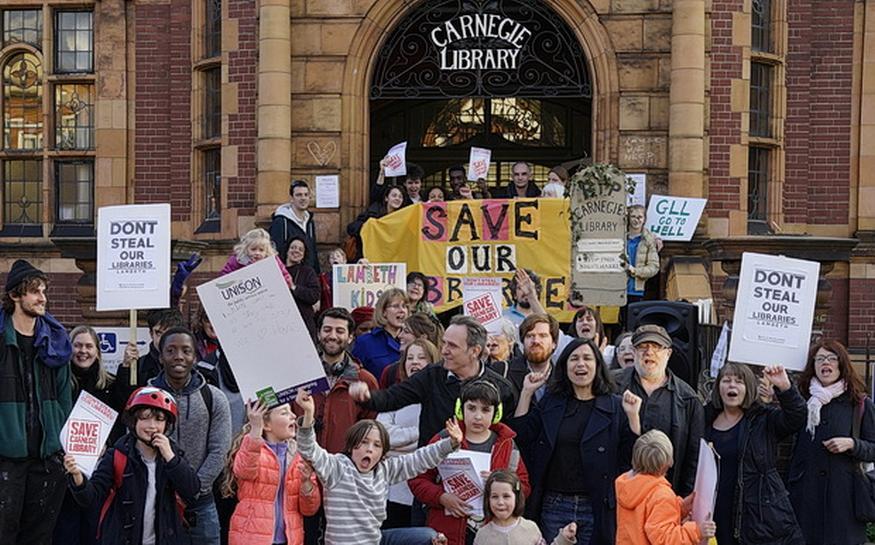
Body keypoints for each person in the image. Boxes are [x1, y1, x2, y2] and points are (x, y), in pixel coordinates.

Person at [510, 338, 640, 544]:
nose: (581, 364)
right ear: (564, 366)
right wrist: (527, 392)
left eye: (587, 358)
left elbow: (631, 457)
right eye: (574, 359)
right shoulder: (551, 402)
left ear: (598, 366)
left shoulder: (615, 406)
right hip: (554, 504)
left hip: (597, 505)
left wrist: (633, 416)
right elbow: (523, 437)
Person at [295, 388, 463, 545]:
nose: (370, 448)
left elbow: (419, 459)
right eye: (364, 442)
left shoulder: (384, 470)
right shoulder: (337, 467)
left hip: (376, 540)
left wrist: (450, 443)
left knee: (430, 537)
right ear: (352, 446)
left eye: (377, 445)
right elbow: (309, 449)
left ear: (383, 452)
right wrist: (309, 413)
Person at [351, 315, 517, 447]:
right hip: (431, 473)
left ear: (474, 351)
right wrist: (367, 397)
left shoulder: (501, 388)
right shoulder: (431, 375)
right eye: (444, 343)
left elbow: (506, 436)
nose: (444, 351)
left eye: (452, 346)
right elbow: (392, 398)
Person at [65, 386, 200, 545]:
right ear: (133, 420)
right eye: (144, 418)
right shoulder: (117, 454)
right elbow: (92, 498)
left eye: (159, 419)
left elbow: (192, 491)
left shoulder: (172, 454)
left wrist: (170, 458)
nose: (152, 426)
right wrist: (77, 477)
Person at [0, 259, 73, 545]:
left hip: (47, 460)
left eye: (44, 290)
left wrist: (61, 444)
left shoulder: (57, 341)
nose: (42, 298)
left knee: (40, 538)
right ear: (15, 295)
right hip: (6, 460)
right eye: (34, 291)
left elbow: (65, 399)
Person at [410, 380, 531, 545]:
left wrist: (502, 484)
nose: (478, 416)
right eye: (471, 408)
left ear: (496, 413)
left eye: (486, 410)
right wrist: (441, 497)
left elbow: (523, 486)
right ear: (460, 409)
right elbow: (417, 478)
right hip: (447, 530)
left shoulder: (507, 445)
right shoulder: (443, 439)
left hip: (491, 533)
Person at [704, 363, 805, 545]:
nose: (732, 386)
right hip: (714, 511)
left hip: (755, 516)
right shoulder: (704, 420)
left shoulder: (763, 420)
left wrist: (784, 387)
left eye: (739, 382)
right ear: (718, 387)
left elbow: (797, 417)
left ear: (748, 388)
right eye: (726, 381)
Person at [149, 326, 232, 545]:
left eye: (186, 350)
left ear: (195, 357)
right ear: (160, 356)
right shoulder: (144, 398)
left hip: (201, 504)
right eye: (171, 350)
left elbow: (219, 451)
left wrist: (193, 488)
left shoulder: (214, 398)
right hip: (157, 500)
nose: (178, 356)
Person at [788, 339, 875, 545]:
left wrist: (853, 444)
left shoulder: (860, 403)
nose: (825, 363)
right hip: (805, 498)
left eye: (831, 358)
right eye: (819, 359)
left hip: (844, 500)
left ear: (841, 364)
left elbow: (873, 447)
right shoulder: (803, 402)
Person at [614, 324, 703, 496]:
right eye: (643, 346)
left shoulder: (687, 399)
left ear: (668, 353)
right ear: (634, 351)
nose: (649, 352)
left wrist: (684, 503)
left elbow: (694, 458)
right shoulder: (612, 386)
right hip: (618, 496)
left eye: (656, 347)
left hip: (665, 499)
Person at [53, 325, 119, 545]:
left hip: (97, 471)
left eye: (89, 346)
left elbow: (121, 424)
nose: (83, 351)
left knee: (94, 530)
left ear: (98, 351)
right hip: (65, 469)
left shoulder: (109, 383)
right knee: (66, 530)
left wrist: (105, 445)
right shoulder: (58, 383)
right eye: (77, 345)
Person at [223, 400, 321, 545]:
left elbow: (309, 509)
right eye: (284, 413)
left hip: (290, 540)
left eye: (291, 411)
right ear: (267, 425)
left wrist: (307, 483)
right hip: (251, 539)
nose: (293, 416)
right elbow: (243, 470)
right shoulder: (252, 448)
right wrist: (256, 429)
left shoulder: (300, 456)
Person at [377, 339, 440, 528]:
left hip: (425, 491)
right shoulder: (396, 395)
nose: (415, 362)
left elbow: (435, 439)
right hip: (393, 491)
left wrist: (397, 449)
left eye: (422, 357)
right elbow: (381, 436)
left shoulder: (440, 398)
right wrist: (419, 436)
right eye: (410, 357)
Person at [614, 430, 716, 545]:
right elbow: (665, 539)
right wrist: (697, 531)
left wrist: (680, 507)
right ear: (667, 463)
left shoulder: (627, 485)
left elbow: (648, 515)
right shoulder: (662, 495)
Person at [300, 307, 379, 454]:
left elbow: (371, 429)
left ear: (350, 337)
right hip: (300, 467)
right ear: (318, 334)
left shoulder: (365, 381)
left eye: (340, 331)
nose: (333, 336)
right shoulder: (300, 376)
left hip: (343, 467)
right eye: (327, 330)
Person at [473, 470, 577, 545]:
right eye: (495, 496)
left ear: (517, 498)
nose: (500, 502)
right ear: (488, 499)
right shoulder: (482, 534)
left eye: (506, 496)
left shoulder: (530, 528)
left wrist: (563, 539)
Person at [115, 308, 186, 395]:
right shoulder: (138, 368)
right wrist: (126, 368)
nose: (163, 339)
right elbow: (122, 402)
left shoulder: (188, 367)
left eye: (169, 333)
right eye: (158, 333)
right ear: (151, 334)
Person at [352, 288, 409, 379]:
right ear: (383, 312)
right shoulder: (365, 342)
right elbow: (353, 376)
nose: (402, 310)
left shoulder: (414, 340)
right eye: (395, 306)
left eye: (405, 306)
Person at [500, 313, 559, 398]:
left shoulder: (564, 377)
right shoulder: (502, 371)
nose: (536, 341)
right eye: (530, 336)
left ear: (554, 343)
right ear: (522, 342)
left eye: (543, 336)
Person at [379, 313, 444, 388]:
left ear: (422, 337)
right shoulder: (391, 373)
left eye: (406, 331)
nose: (399, 336)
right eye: (410, 358)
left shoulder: (446, 372)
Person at [269, 179, 320, 273]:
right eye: (298, 195)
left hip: (307, 274)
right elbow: (276, 252)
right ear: (291, 198)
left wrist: (317, 274)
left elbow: (313, 251)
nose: (303, 198)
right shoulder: (281, 221)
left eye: (306, 195)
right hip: (289, 275)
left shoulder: (310, 222)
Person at [622, 205, 659, 324]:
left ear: (644, 219)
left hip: (637, 290)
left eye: (640, 217)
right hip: (618, 289)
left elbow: (654, 267)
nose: (636, 220)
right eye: (633, 216)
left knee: (633, 324)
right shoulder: (621, 237)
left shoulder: (649, 240)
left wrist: (634, 271)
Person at [347, 185, 406, 259]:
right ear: (386, 198)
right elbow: (351, 228)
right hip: (371, 255)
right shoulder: (374, 212)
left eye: (400, 197)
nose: (397, 198)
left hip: (393, 256)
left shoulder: (403, 217)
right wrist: (366, 226)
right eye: (394, 195)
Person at [221, 227, 293, 288]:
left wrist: (286, 284)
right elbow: (224, 277)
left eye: (261, 250)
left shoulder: (274, 261)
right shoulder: (237, 260)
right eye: (253, 249)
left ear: (267, 251)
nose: (257, 253)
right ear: (246, 248)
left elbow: (285, 276)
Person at [285, 236, 321, 338]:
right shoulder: (277, 270)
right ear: (287, 250)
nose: (296, 251)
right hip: (282, 325)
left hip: (304, 324)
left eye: (300, 249)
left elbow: (314, 295)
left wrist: (294, 287)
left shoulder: (308, 272)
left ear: (304, 255)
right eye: (293, 247)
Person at [319, 247, 348, 312]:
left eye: (338, 256)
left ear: (344, 261)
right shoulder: (323, 278)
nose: (335, 258)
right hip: (329, 310)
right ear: (329, 261)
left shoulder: (351, 276)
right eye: (332, 257)